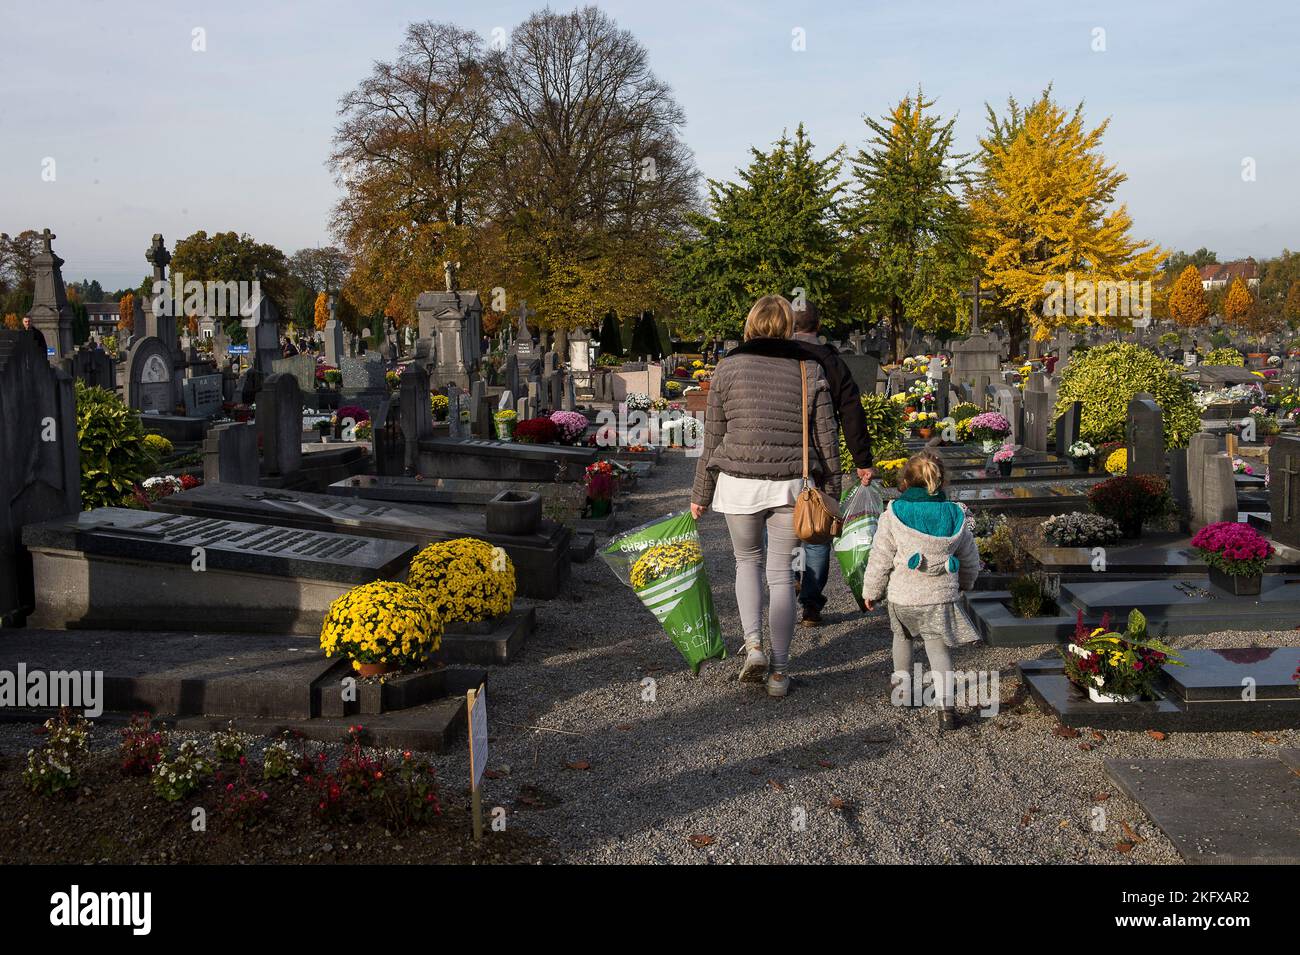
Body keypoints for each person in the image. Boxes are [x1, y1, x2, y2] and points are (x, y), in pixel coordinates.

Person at [690, 295, 841, 698]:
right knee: (779, 575)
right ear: (788, 327)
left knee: (746, 563)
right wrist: (833, 492)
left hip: (738, 481)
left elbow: (713, 438)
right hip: (792, 484)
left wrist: (700, 493)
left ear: (751, 324)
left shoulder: (727, 368)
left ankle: (753, 645)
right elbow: (827, 438)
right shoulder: (809, 368)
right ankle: (779, 672)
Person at [860, 451, 980, 731]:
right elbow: (970, 557)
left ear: (905, 481)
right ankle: (946, 710)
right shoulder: (954, 514)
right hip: (939, 598)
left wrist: (871, 591)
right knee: (938, 651)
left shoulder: (894, 513)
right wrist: (966, 582)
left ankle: (903, 694)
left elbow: (881, 556)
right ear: (941, 481)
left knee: (901, 640)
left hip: (903, 597)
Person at [789, 302, 875, 625]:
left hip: (783, 457)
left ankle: (791, 580)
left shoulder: (778, 358)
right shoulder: (831, 361)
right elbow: (851, 412)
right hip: (820, 457)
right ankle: (811, 602)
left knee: (784, 524)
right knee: (819, 527)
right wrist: (862, 460)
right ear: (818, 324)